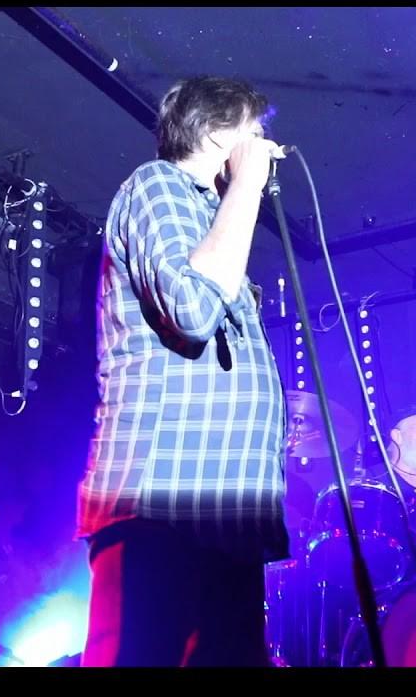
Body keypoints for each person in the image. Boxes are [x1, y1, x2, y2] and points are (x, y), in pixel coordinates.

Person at [77, 76, 288, 667]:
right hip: (163, 500)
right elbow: (192, 309)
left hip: (225, 509)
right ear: (218, 132)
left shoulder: (209, 216)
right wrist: (246, 183)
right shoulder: (158, 184)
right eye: (254, 132)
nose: (267, 147)